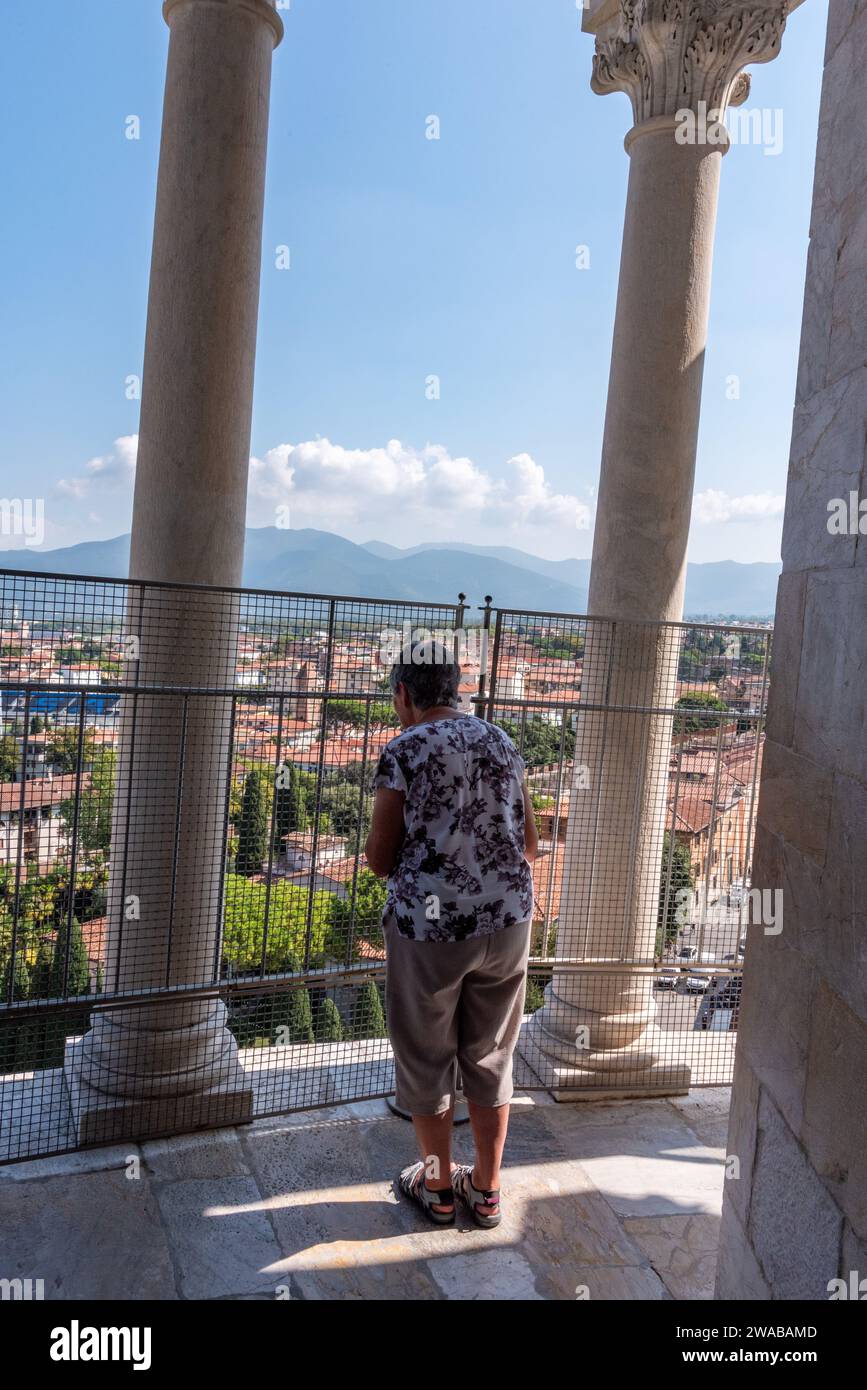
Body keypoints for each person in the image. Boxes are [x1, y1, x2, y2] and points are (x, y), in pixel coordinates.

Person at [364, 639, 538, 1228]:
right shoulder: (502, 742)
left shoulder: (404, 749)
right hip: (508, 921)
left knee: (426, 1059)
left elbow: (380, 858)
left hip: (431, 932)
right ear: (456, 689)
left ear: (404, 694)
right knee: (491, 1056)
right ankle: (486, 1192)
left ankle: (438, 1188)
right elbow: (531, 845)